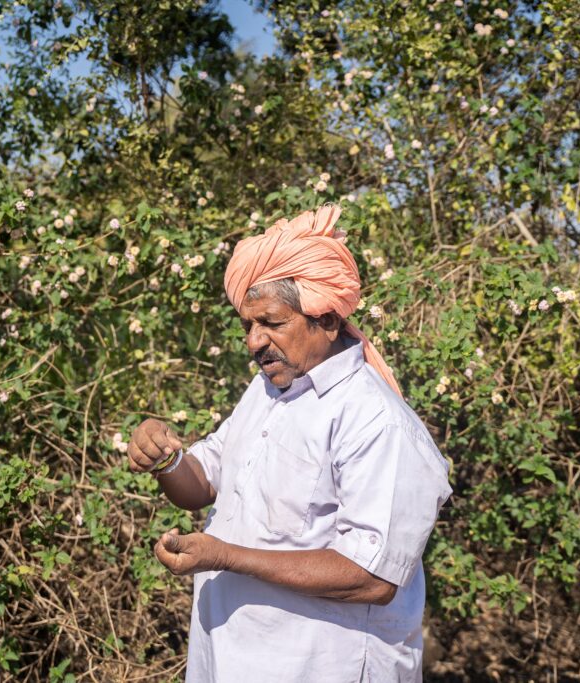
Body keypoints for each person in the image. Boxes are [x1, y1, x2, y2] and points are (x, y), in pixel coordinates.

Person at [127, 204, 452, 681]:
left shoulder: (377, 422)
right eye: (247, 325)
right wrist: (165, 459)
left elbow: (372, 577)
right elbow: (204, 481)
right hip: (230, 660)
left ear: (328, 320)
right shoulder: (269, 390)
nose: (253, 342)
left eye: (272, 323)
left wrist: (225, 556)